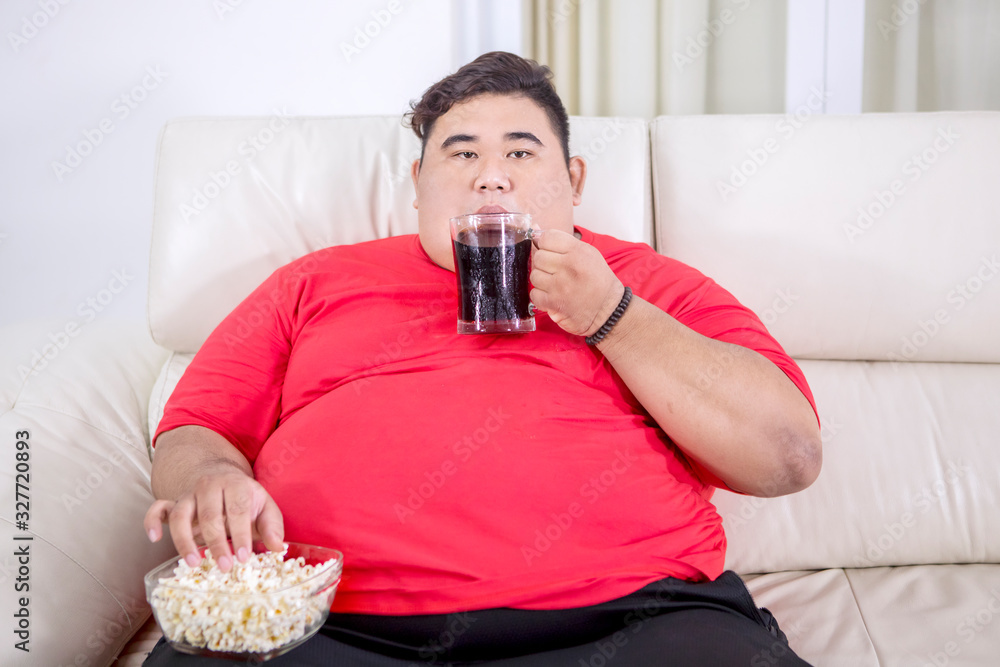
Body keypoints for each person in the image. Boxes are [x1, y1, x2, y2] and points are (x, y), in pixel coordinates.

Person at [142, 51, 821, 666]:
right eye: (461, 155)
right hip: (331, 625)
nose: (491, 178)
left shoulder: (648, 284)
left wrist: (612, 315)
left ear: (573, 179)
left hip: (631, 619)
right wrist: (207, 477)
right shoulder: (313, 283)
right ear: (418, 182)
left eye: (521, 154)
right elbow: (195, 431)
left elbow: (788, 454)